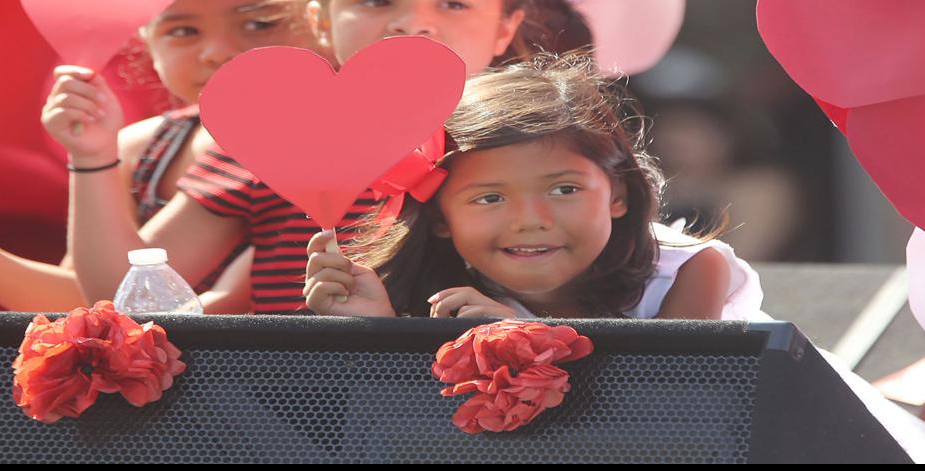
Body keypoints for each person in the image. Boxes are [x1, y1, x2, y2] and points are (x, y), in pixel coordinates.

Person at [56, 0, 596, 313]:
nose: (412, 22)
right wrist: (93, 153)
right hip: (296, 407)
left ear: (507, 24)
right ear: (320, 18)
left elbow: (621, 287)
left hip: (496, 407)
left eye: (453, 2)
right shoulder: (271, 134)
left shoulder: (547, 139)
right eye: (376, 0)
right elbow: (121, 290)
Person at [0, 0, 320, 312]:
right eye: (183, 30)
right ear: (145, 44)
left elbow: (174, 311)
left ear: (320, 20)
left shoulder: (315, 137)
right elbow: (92, 300)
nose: (217, 52)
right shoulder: (139, 150)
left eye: (260, 21)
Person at [303, 54, 765, 320]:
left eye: (564, 190)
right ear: (441, 219)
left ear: (618, 195)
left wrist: (529, 336)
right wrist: (378, 333)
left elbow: (675, 406)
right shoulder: (430, 295)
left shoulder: (686, 271)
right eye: (490, 198)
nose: (530, 220)